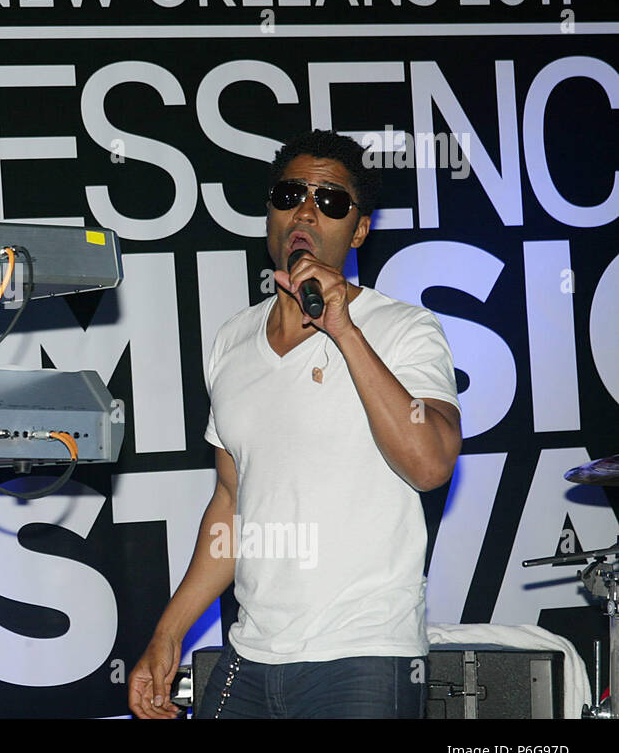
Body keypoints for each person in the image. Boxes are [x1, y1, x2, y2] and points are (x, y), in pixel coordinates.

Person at [129, 129, 462, 719]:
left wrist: (344, 331)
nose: (306, 210)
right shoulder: (232, 340)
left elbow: (431, 463)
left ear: (359, 230)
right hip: (249, 656)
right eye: (290, 194)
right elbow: (230, 503)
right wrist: (169, 632)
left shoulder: (403, 329)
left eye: (331, 201)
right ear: (270, 213)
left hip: (363, 656)